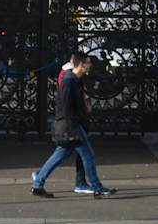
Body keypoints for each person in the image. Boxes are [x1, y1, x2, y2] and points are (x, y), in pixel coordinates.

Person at [30, 52, 116, 198]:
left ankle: (38, 184)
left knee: (60, 155)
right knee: (88, 156)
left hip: (69, 124)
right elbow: (65, 106)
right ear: (81, 65)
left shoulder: (74, 79)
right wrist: (75, 124)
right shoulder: (69, 81)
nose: (90, 65)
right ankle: (97, 188)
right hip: (71, 125)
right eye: (88, 63)